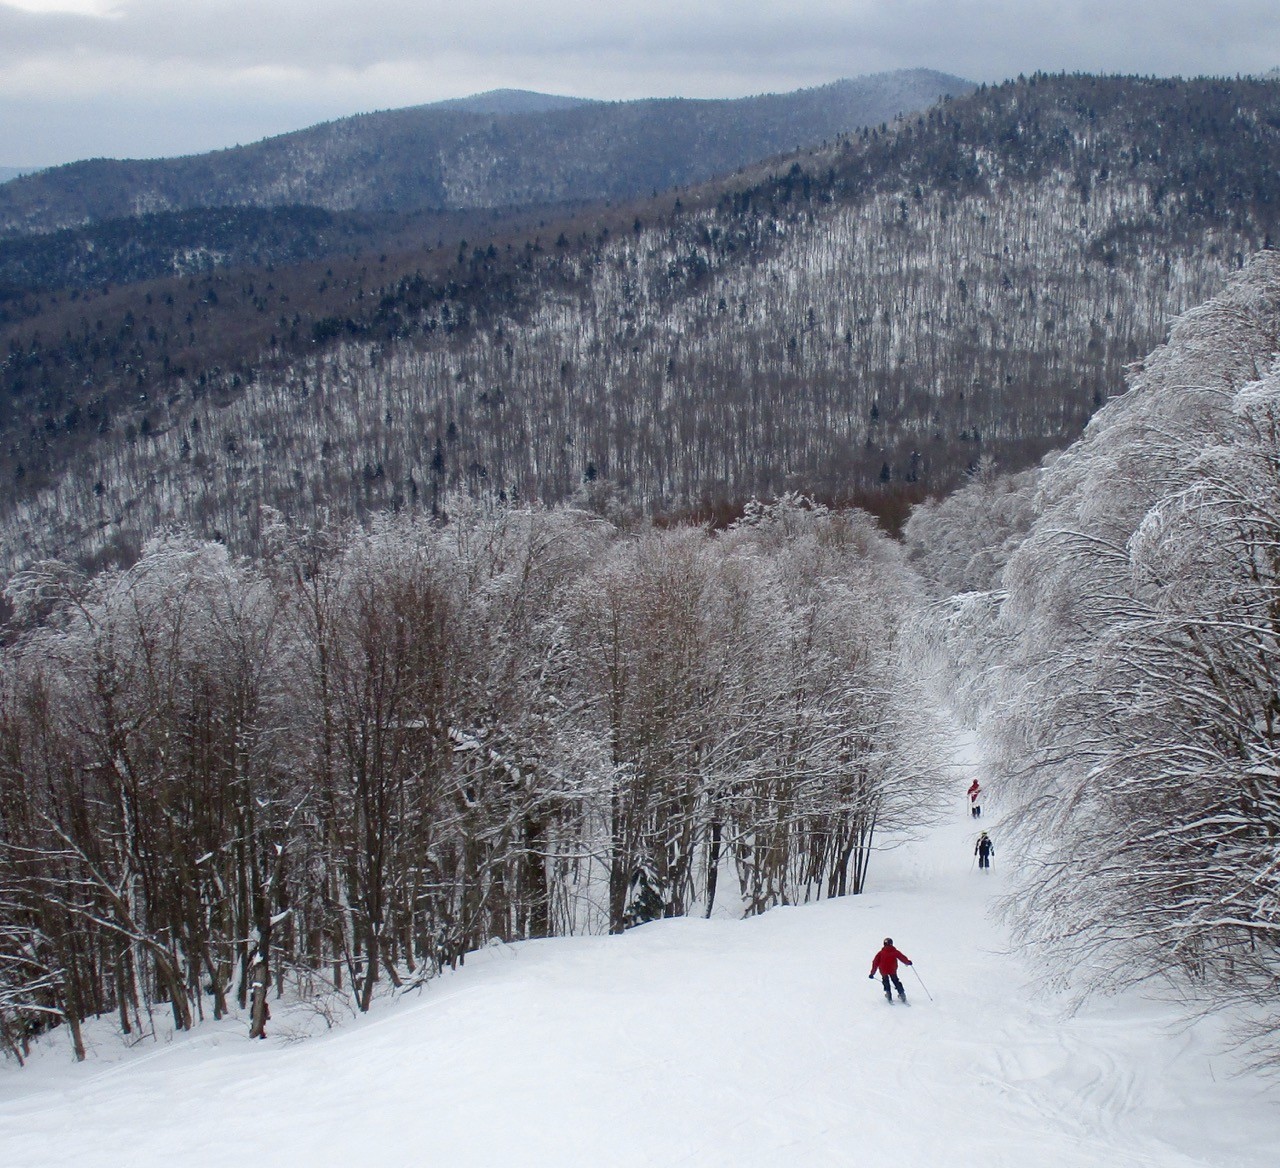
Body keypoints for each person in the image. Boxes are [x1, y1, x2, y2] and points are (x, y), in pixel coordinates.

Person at [868, 937, 912, 1003]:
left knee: (885, 981)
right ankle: (902, 994)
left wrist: (872, 973)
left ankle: (888, 994)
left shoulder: (880, 953)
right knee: (896, 981)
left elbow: (875, 963)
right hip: (892, 969)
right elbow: (902, 957)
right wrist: (908, 962)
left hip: (883, 970)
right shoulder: (895, 952)